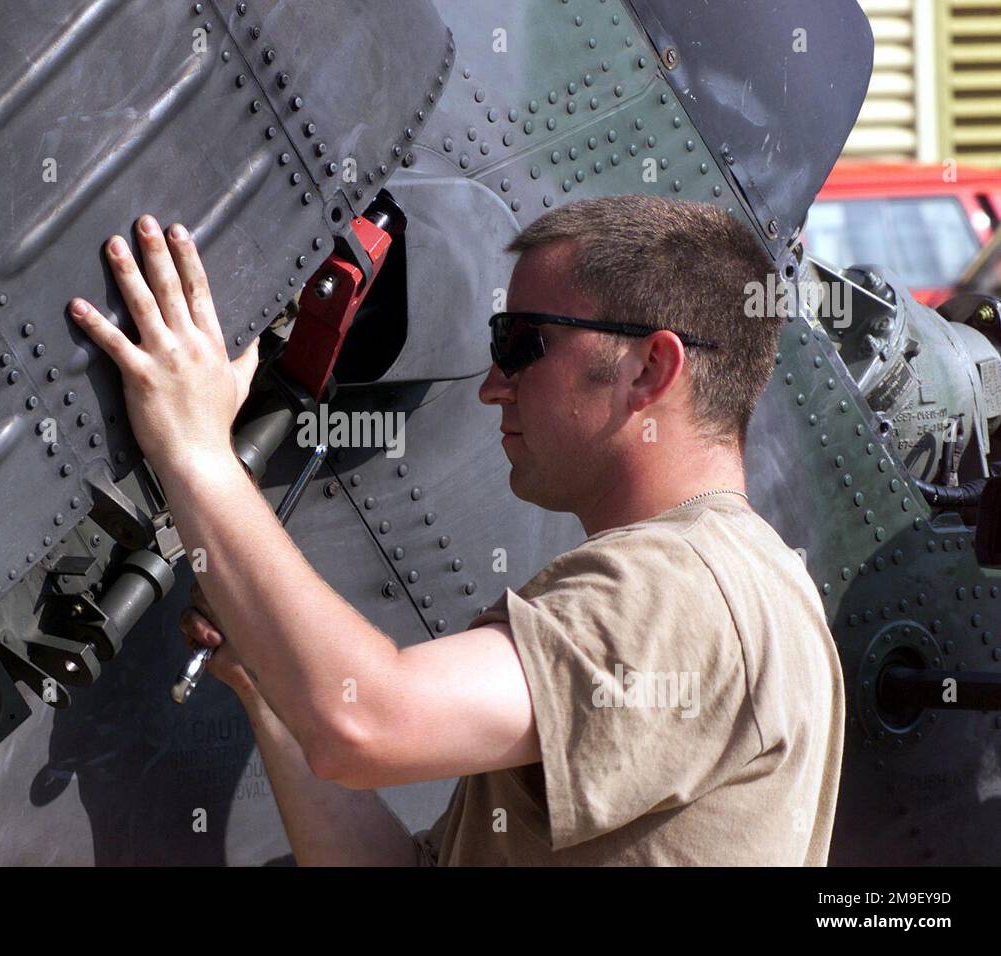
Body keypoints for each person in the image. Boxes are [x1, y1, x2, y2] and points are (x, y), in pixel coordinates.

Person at [67, 194, 845, 866]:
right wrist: (269, 686)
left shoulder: (678, 590)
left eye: (521, 345)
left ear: (650, 370)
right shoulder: (742, 586)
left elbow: (366, 720)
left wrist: (196, 450)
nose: (491, 387)